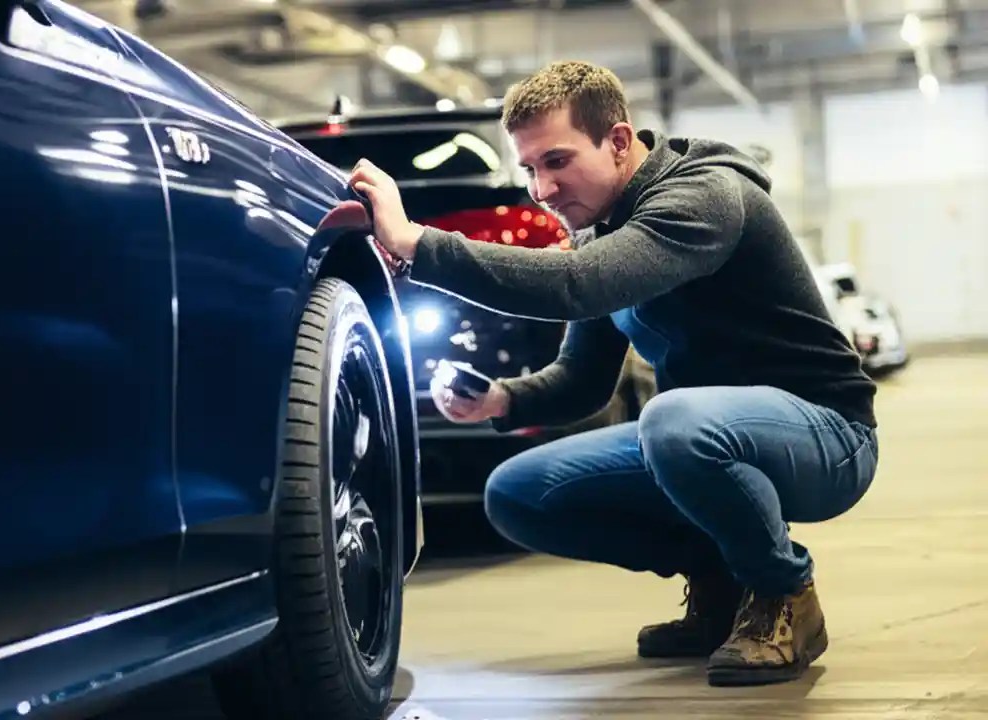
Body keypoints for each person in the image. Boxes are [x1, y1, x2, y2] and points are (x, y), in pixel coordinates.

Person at [348, 60, 879, 687]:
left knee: (673, 421)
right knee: (517, 493)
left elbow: (578, 286)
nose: (541, 189)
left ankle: (783, 595)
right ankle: (721, 584)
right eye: (529, 169)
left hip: (827, 437)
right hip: (706, 437)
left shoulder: (704, 197)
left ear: (619, 141)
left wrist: (415, 242)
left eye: (557, 161)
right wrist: (497, 399)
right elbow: (582, 379)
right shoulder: (602, 229)